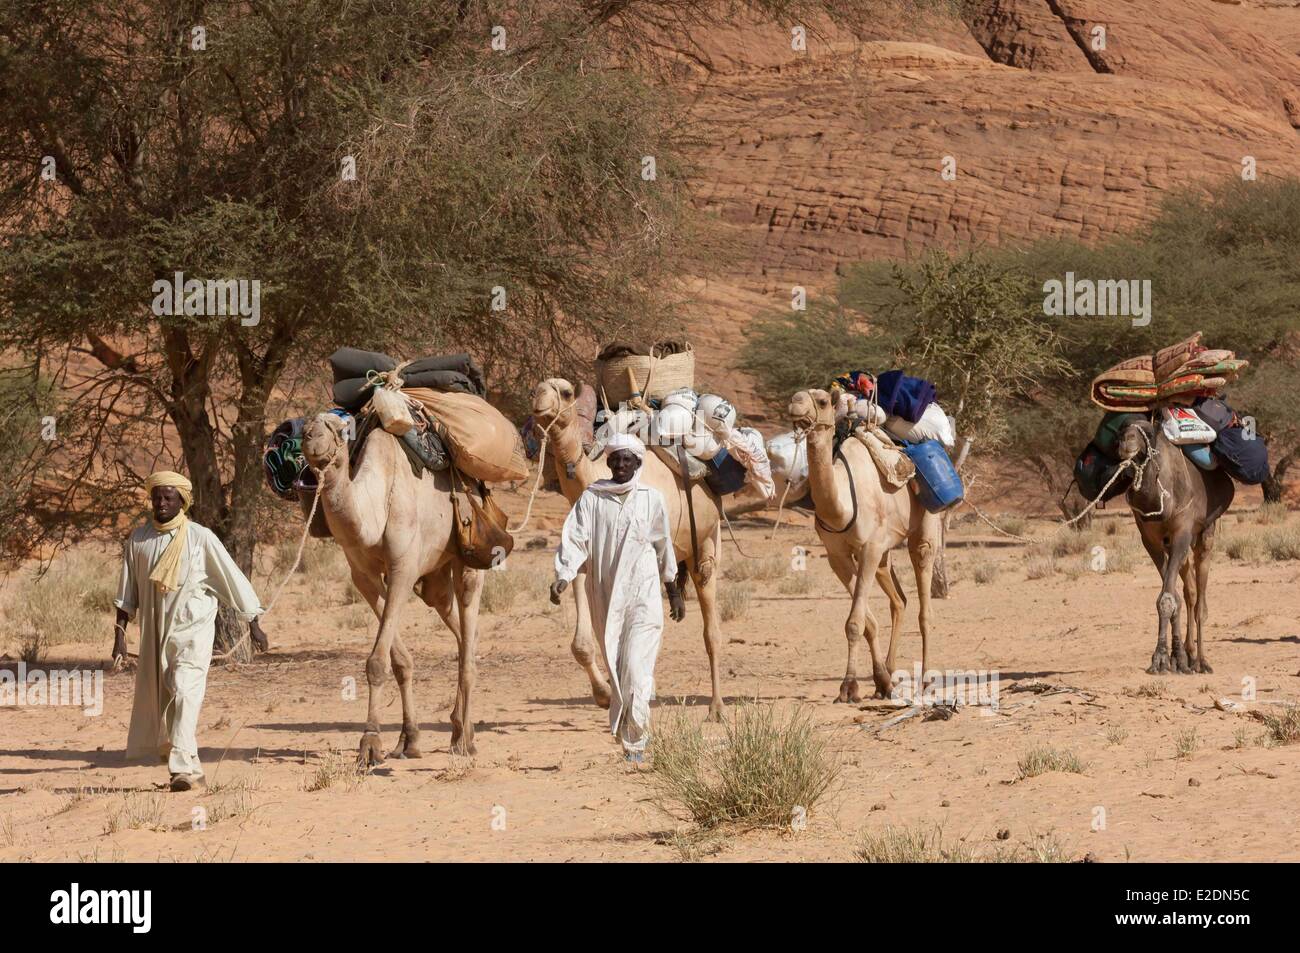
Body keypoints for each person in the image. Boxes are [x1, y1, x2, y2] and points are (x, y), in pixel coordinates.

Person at [111, 471, 268, 791]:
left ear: (182, 501)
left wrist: (253, 622)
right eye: (157, 496)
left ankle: (180, 767)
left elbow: (231, 578)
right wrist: (119, 637)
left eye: (169, 497)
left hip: (194, 633)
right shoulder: (139, 540)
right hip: (156, 636)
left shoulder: (201, 538)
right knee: (168, 699)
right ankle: (192, 767)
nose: (162, 502)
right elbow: (127, 596)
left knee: (184, 689)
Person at [550, 433, 684, 763]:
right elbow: (575, 538)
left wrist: (673, 589)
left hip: (644, 593)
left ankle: (636, 745)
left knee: (638, 669)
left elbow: (663, 544)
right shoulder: (592, 498)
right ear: (607, 462)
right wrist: (563, 575)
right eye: (616, 459)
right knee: (619, 668)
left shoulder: (651, 498)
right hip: (606, 595)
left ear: (638, 463)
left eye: (628, 459)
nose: (622, 465)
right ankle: (628, 730)